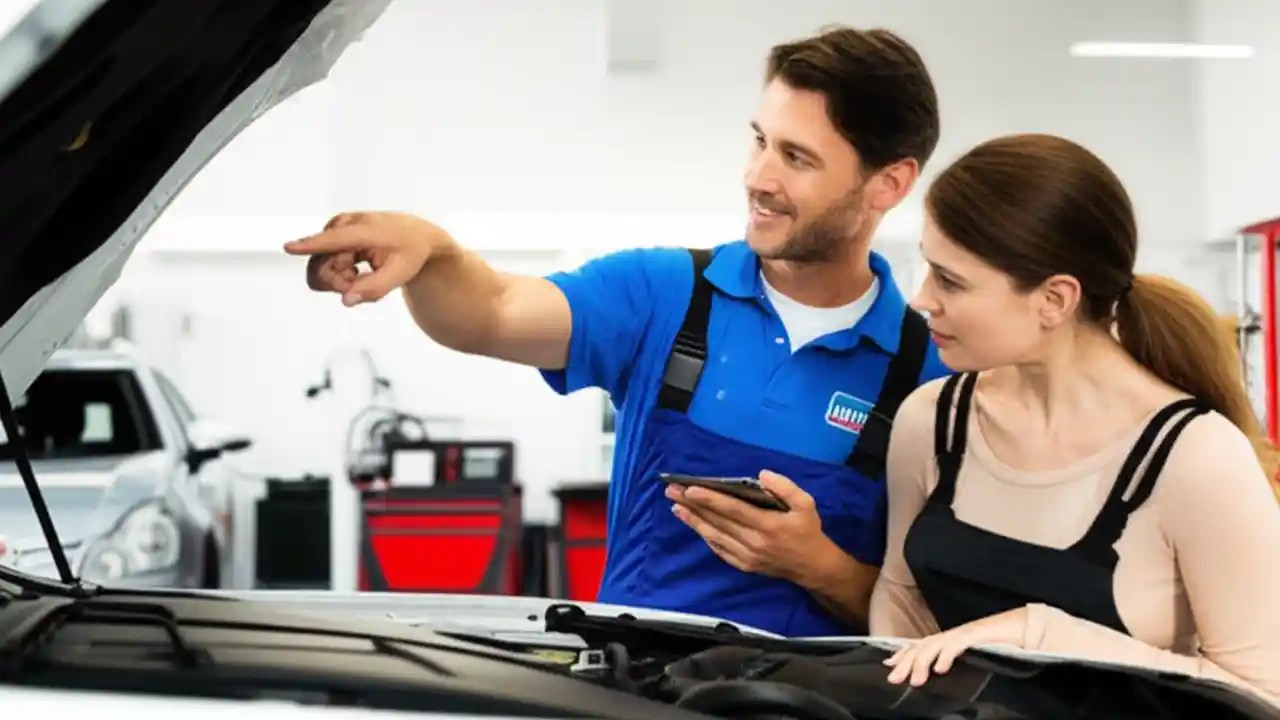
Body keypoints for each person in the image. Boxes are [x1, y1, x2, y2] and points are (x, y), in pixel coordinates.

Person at [284, 26, 951, 637]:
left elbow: (938, 625)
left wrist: (820, 567)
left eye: (797, 158)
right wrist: (432, 253)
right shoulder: (665, 295)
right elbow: (490, 311)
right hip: (631, 692)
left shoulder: (933, 376)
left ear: (887, 184)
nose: (758, 177)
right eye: (759, 140)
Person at [869, 133, 1280, 704]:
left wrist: (1042, 634)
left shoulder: (1196, 458)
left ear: (1054, 300)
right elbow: (901, 597)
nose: (922, 299)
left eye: (951, 281)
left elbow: (1265, 697)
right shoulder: (933, 420)